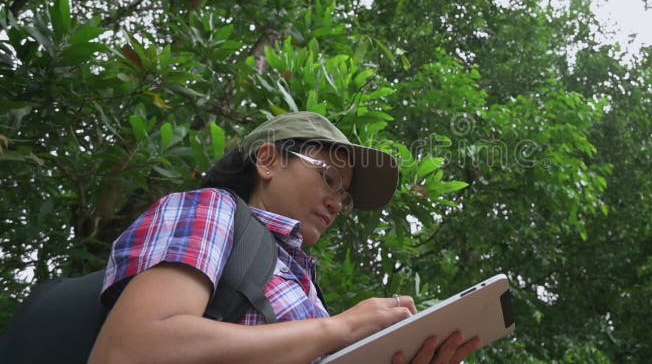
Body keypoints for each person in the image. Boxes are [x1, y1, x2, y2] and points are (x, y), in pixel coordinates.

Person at [88, 111, 480, 364]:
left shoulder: (305, 285)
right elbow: (130, 349)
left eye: (344, 196)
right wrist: (339, 329)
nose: (337, 203)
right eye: (329, 178)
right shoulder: (215, 209)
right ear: (269, 160)